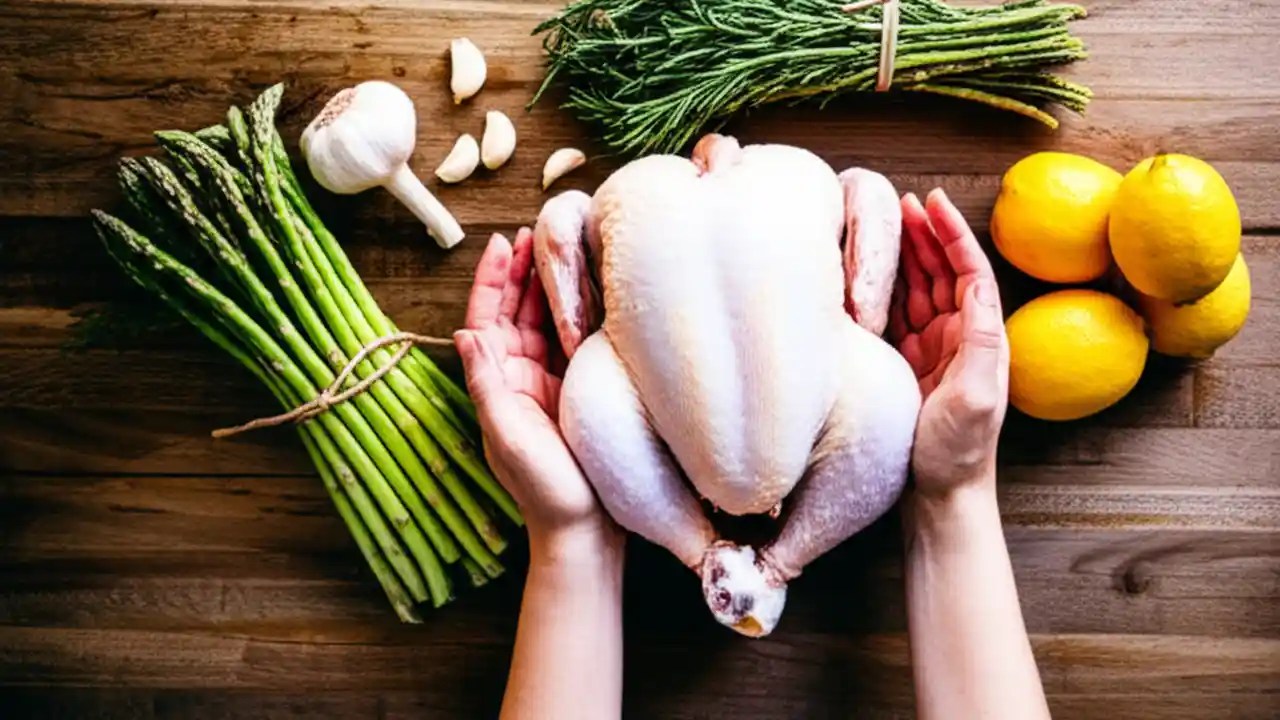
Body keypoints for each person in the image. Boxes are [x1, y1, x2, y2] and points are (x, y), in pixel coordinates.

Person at [454, 189, 1050, 720]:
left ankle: (717, 554)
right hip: (792, 366)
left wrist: (571, 538)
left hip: (776, 371)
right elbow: (865, 202)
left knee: (589, 388)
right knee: (886, 392)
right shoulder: (806, 177)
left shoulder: (623, 192)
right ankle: (762, 562)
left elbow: (565, 225)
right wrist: (954, 493)